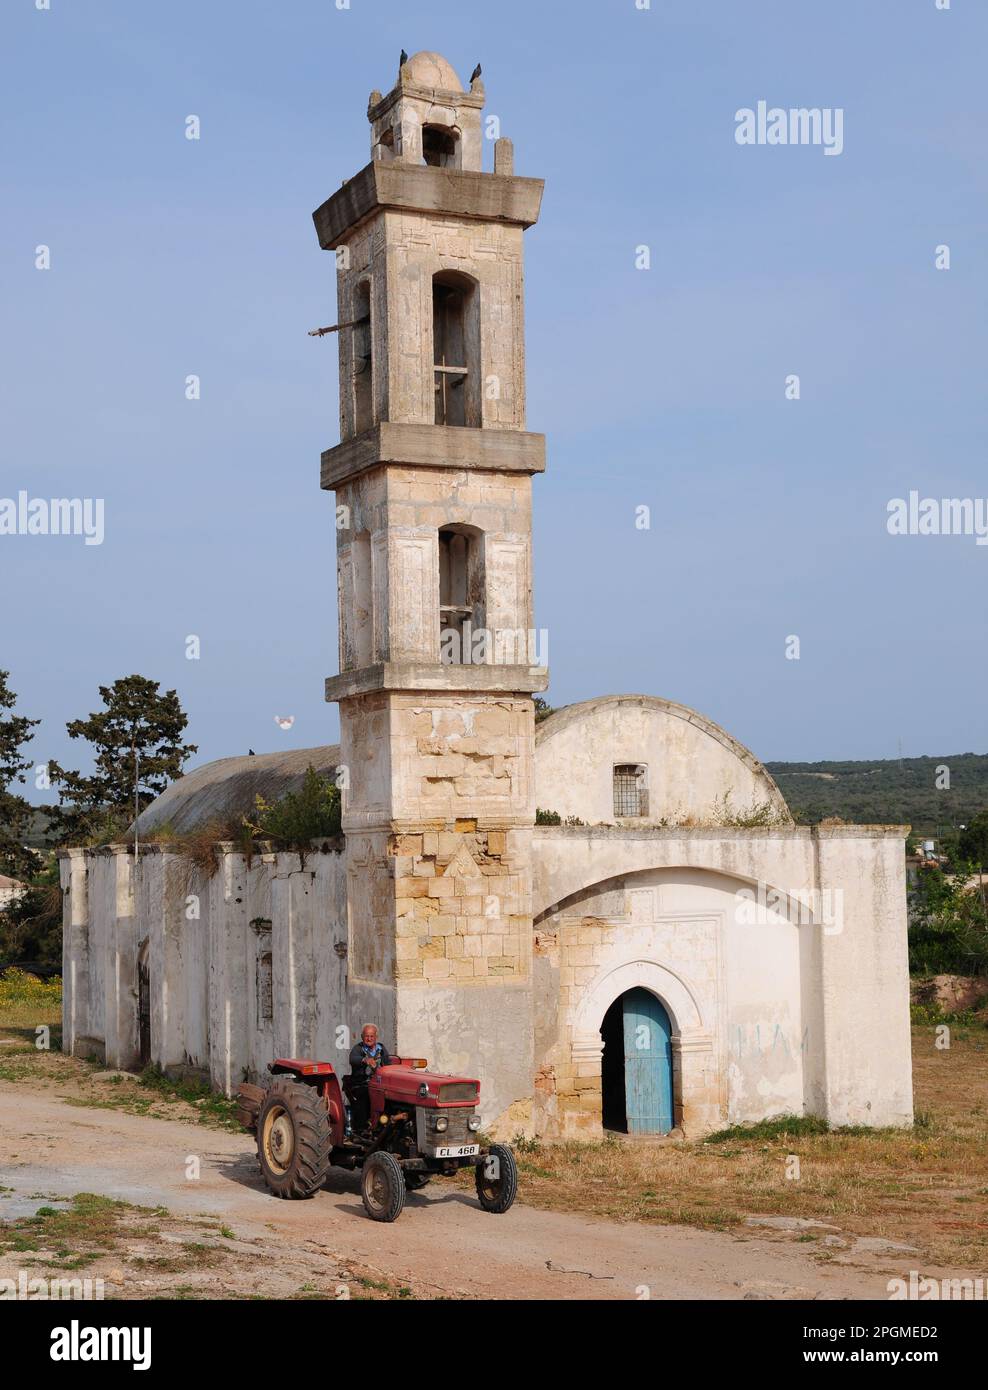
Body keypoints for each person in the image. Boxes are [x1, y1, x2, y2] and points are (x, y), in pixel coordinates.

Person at [347, 1024, 391, 1134]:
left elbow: (388, 1063)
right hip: (362, 1084)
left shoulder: (381, 1049)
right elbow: (353, 1059)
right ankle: (361, 1129)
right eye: (367, 1036)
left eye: (372, 1036)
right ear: (362, 1037)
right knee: (365, 1096)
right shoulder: (358, 1048)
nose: (369, 1039)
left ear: (376, 1037)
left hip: (379, 1084)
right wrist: (364, 1060)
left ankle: (385, 1125)